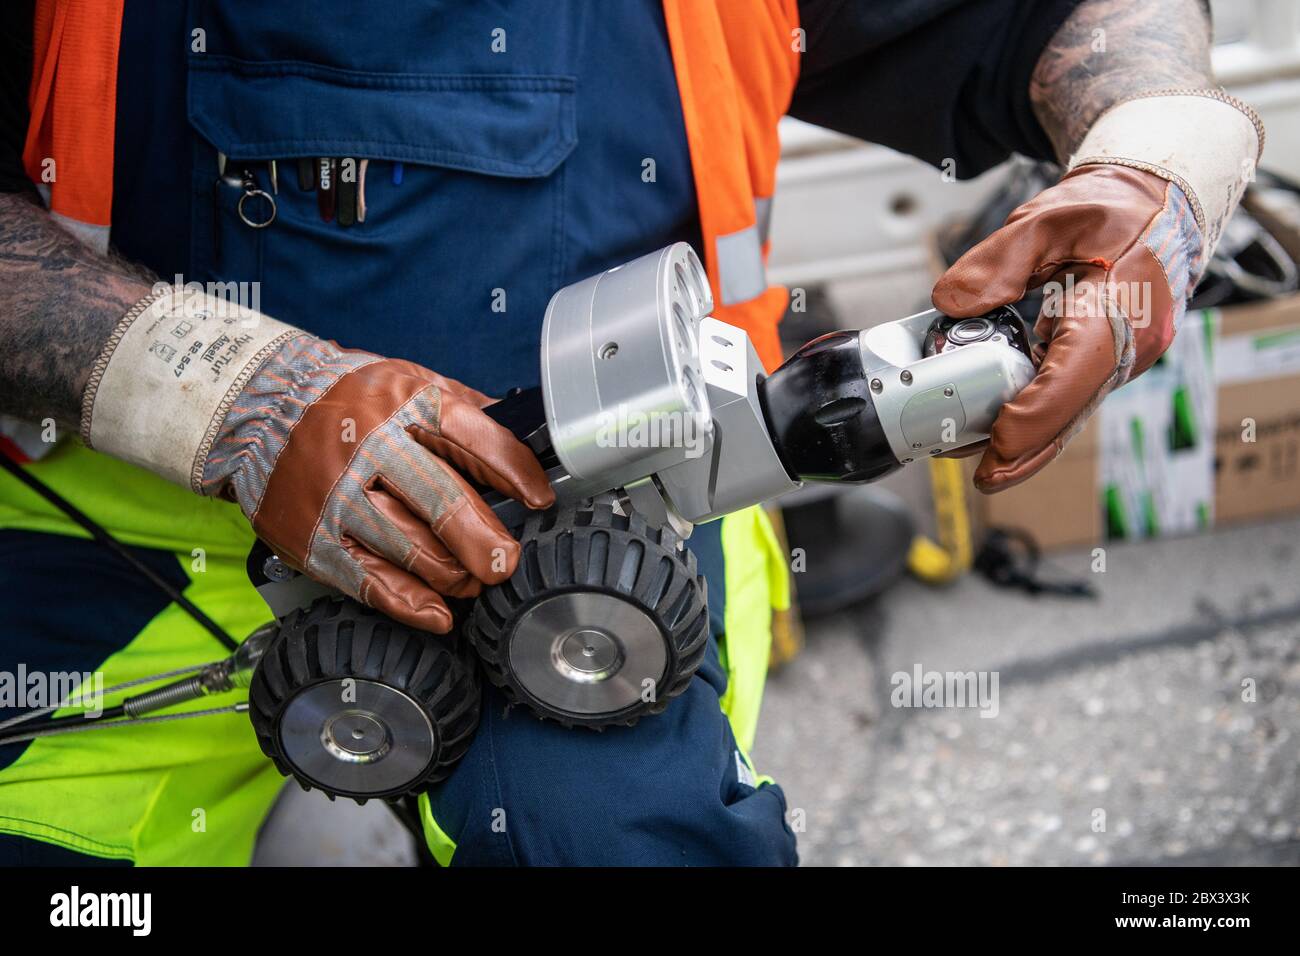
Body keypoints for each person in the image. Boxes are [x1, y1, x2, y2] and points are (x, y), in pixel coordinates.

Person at [0, 0, 1260, 865]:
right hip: (120, 523)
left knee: (617, 836)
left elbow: (1062, 17)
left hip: (613, 522)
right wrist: (221, 390)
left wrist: (1158, 167)